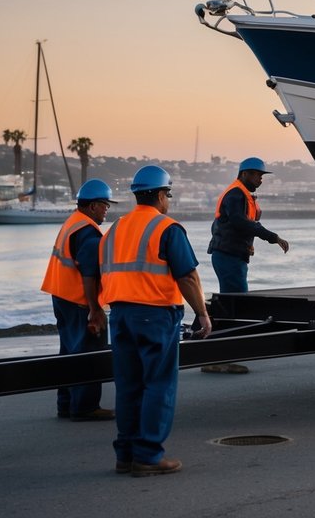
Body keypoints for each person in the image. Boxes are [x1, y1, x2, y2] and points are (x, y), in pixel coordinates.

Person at [100, 165, 212, 476]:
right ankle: (148, 456)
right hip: (155, 314)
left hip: (119, 314)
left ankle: (125, 455)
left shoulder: (115, 229)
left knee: (128, 385)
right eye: (168, 195)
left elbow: (102, 272)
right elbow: (187, 276)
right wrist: (202, 313)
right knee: (158, 385)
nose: (168, 202)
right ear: (161, 195)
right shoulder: (166, 228)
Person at [202, 156, 289, 374]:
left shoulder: (243, 195)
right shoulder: (235, 194)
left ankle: (213, 355)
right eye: (257, 175)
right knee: (234, 306)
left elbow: (232, 225)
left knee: (231, 304)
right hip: (228, 257)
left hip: (233, 257)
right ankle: (217, 357)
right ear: (244, 174)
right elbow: (240, 222)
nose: (260, 179)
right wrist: (272, 237)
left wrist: (247, 244)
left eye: (261, 176)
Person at [41, 178, 116, 420]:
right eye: (105, 205)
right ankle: (85, 407)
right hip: (79, 301)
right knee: (89, 353)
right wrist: (95, 309)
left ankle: (66, 405)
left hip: (61, 296)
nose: (107, 210)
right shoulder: (88, 233)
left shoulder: (72, 222)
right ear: (93, 206)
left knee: (68, 351)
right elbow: (89, 275)